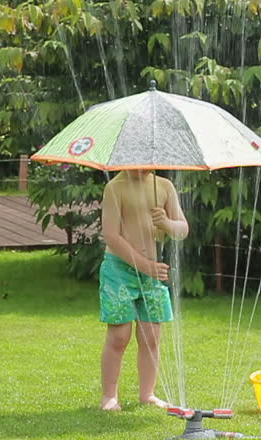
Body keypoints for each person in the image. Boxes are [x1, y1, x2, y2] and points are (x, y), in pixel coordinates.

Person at [99, 170, 189, 411]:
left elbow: (182, 229)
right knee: (119, 336)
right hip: (120, 271)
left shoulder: (164, 186)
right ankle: (109, 396)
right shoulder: (115, 188)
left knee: (151, 336)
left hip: (153, 273)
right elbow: (111, 235)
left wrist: (167, 223)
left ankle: (147, 394)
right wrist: (145, 266)